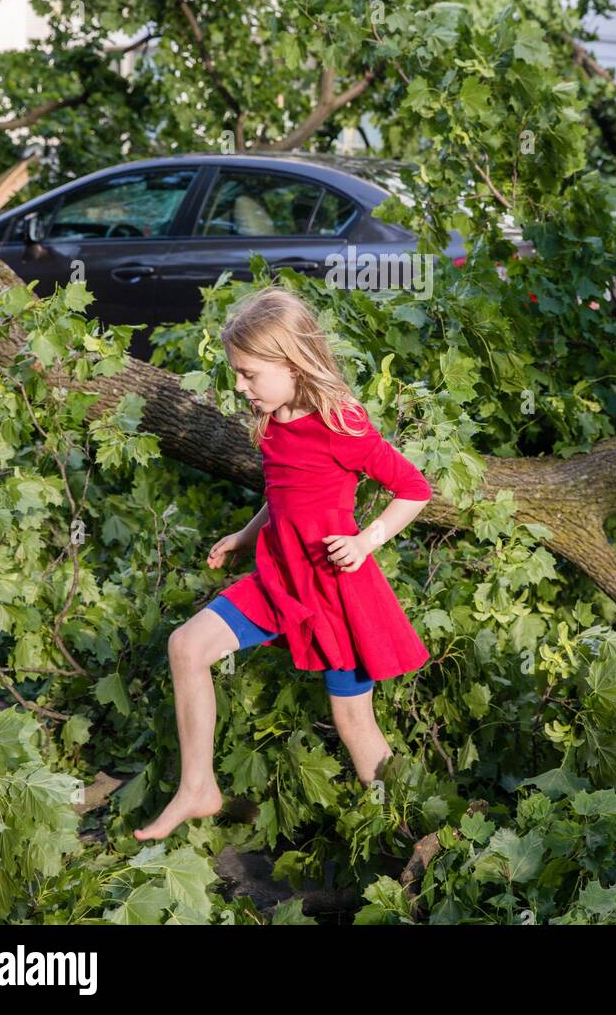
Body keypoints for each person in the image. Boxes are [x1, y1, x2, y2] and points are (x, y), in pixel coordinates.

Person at [134, 284, 433, 840]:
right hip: (281, 580)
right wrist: (246, 535)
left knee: (353, 720)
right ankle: (198, 787)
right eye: (238, 374)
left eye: (250, 374)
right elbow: (287, 495)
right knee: (186, 646)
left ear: (294, 362)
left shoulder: (343, 424)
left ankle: (410, 833)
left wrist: (367, 540)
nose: (241, 386)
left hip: (337, 592)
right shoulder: (272, 422)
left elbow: (414, 488)